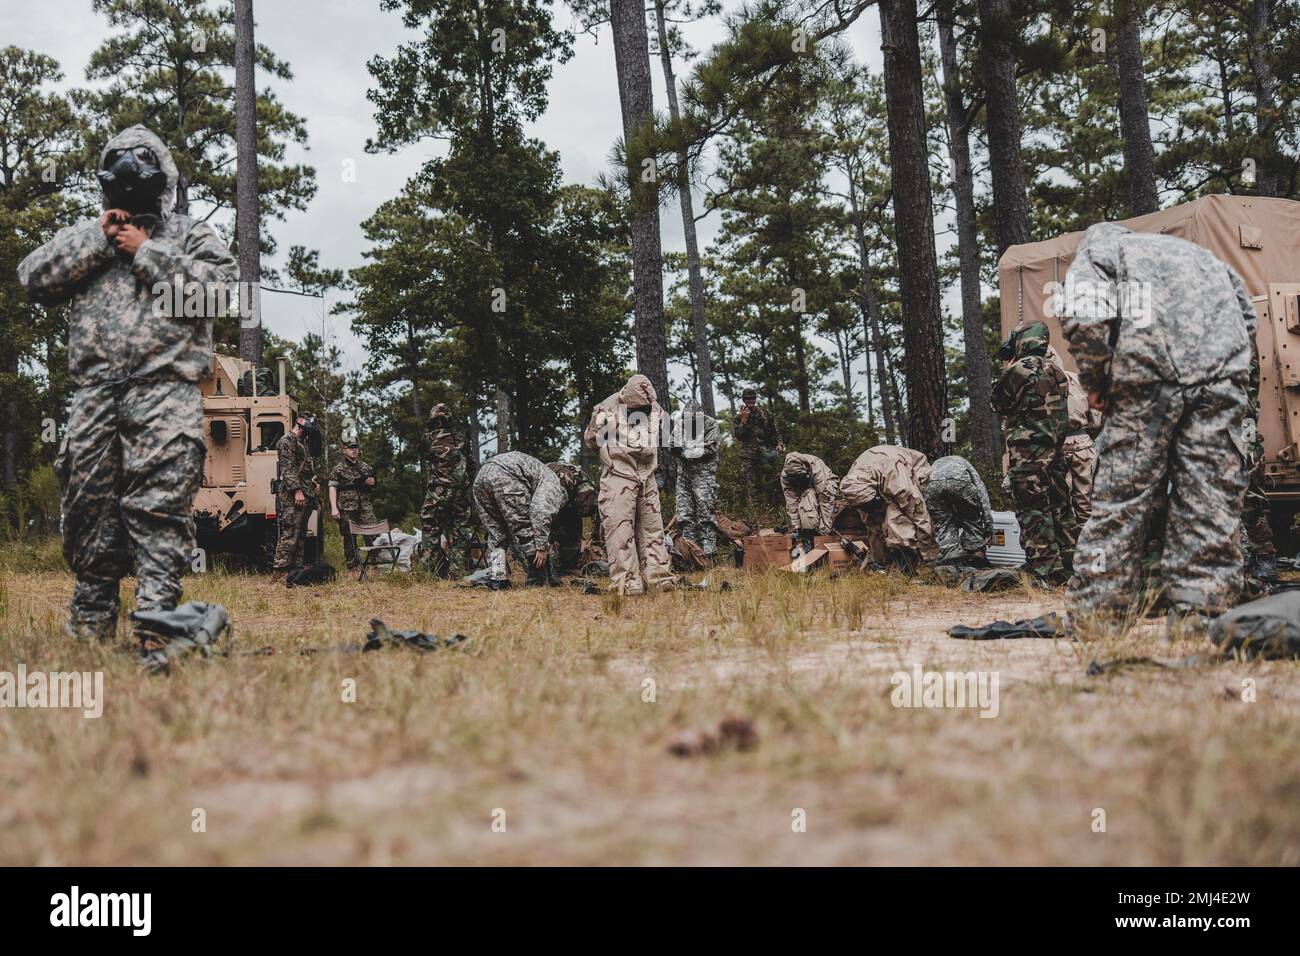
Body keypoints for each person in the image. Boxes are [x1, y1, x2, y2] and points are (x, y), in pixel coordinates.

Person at [17, 125, 237, 639]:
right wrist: (101, 237)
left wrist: (145, 252)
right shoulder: (92, 238)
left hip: (165, 393)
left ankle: (158, 626)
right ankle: (91, 631)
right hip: (95, 397)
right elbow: (33, 277)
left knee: (160, 511)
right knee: (89, 514)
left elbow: (223, 291)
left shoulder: (186, 236)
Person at [1060, 222, 1255, 618]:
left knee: (1122, 499)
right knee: (1208, 499)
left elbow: (1084, 317)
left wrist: (1096, 380)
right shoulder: (1201, 257)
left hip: (1149, 378)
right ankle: (1201, 616)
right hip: (1221, 378)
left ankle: (1098, 614)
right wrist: (1232, 374)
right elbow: (1247, 318)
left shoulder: (1101, 251)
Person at [992, 322, 1074, 584]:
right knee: (1061, 508)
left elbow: (998, 403)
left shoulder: (1019, 369)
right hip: (1056, 453)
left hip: (1028, 456)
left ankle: (1043, 570)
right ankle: (1069, 564)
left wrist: (1008, 370)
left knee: (1033, 511)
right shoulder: (1058, 372)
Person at [583, 373, 676, 595]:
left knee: (653, 529)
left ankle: (659, 578)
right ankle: (628, 581)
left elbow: (661, 433)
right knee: (620, 532)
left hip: (647, 476)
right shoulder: (606, 410)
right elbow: (592, 441)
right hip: (618, 477)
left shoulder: (654, 408)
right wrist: (614, 455)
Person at [471, 451, 568, 589]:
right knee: (523, 526)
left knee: (496, 533)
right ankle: (537, 578)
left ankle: (498, 579)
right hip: (504, 475)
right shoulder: (554, 485)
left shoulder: (540, 472)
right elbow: (540, 512)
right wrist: (541, 547)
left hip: (482, 476)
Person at [839, 445, 934, 571]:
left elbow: (919, 515)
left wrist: (927, 553)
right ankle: (883, 563)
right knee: (872, 519)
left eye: (870, 505)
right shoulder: (854, 484)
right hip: (880, 481)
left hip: (912, 471)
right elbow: (871, 522)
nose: (868, 509)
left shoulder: (898, 481)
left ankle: (906, 564)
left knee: (896, 519)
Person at [1048, 345, 1103, 533]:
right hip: (1082, 443)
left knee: (1061, 502)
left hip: (1057, 446)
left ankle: (1068, 547)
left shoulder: (1040, 385)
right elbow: (1096, 416)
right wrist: (1086, 436)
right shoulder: (1076, 379)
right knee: (1085, 500)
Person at [419, 403, 474, 578]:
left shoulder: (427, 438)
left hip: (437, 492)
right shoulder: (461, 438)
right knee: (461, 531)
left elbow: (424, 459)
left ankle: (432, 571)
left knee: (431, 528)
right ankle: (458, 571)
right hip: (459, 493)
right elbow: (470, 465)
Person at [670, 398, 721, 561]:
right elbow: (671, 442)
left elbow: (710, 447)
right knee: (684, 515)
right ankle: (690, 552)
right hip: (684, 476)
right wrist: (675, 449)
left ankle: (709, 553)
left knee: (706, 515)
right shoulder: (681, 424)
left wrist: (686, 451)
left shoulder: (710, 424)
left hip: (703, 476)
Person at [923, 455, 994, 567]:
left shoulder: (935, 465)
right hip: (960, 481)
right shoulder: (965, 463)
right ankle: (977, 554)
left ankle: (951, 555)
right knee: (971, 518)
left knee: (943, 522)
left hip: (932, 485)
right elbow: (982, 494)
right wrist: (989, 525)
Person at [273, 416, 321, 578]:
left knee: (301, 535)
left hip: (306, 492)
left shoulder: (302, 442)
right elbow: (288, 469)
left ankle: (295, 572)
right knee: (290, 533)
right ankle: (280, 572)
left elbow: (307, 469)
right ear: (301, 425)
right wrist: (297, 491)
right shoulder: (286, 441)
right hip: (293, 495)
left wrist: (314, 483)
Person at [329, 440, 378, 571]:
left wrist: (372, 482)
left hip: (365, 506)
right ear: (344, 450)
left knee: (372, 532)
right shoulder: (338, 469)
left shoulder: (365, 467)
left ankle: (373, 563)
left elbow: (372, 484)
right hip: (347, 507)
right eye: (351, 448)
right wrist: (334, 508)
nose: (354, 450)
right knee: (349, 536)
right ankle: (353, 566)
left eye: (356, 447)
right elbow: (332, 488)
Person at [779, 452, 839, 554]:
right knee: (806, 499)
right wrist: (797, 527)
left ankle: (815, 533)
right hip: (806, 492)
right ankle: (808, 534)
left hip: (827, 487)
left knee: (809, 496)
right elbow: (791, 504)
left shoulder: (816, 469)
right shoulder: (785, 477)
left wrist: (825, 529)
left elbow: (826, 501)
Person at [546, 461, 600, 573]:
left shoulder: (593, 496)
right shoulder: (561, 485)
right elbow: (549, 515)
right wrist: (552, 539)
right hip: (551, 494)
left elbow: (597, 522)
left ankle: (569, 563)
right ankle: (550, 564)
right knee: (555, 528)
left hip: (570, 497)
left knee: (574, 524)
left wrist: (596, 544)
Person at [733, 387, 783, 502]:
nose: (750, 401)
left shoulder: (765, 414)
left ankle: (772, 506)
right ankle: (753, 511)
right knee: (749, 486)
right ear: (744, 400)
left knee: (772, 481)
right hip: (748, 456)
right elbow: (739, 436)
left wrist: (779, 443)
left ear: (755, 399)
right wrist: (744, 421)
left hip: (765, 454)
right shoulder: (738, 418)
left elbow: (775, 431)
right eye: (747, 399)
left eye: (752, 398)